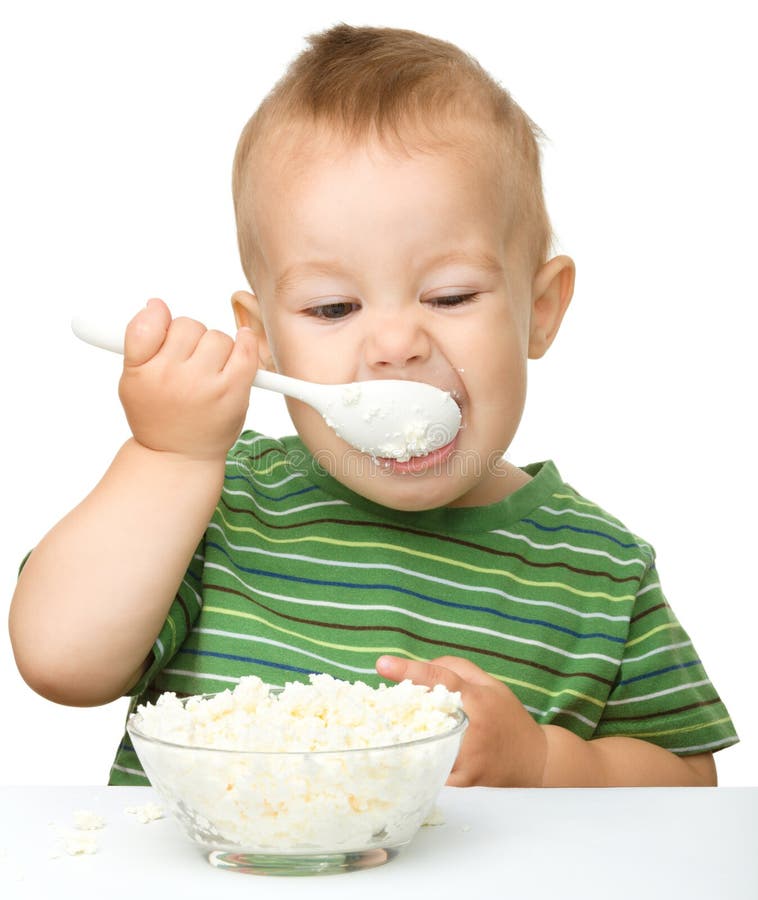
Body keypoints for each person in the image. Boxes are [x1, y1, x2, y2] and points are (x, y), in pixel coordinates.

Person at [9, 24, 737, 787]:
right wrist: (170, 456)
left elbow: (687, 787)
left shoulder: (598, 568)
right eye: (332, 308)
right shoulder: (218, 503)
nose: (395, 343)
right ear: (262, 341)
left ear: (542, 309)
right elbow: (60, 662)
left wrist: (544, 762)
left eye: (450, 295)